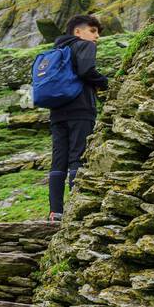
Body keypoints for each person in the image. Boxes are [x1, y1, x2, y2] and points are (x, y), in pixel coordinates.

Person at [45, 14, 108, 220]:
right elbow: (86, 70)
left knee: (58, 161)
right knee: (77, 158)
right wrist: (106, 82)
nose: (97, 36)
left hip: (57, 112)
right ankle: (74, 209)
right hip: (80, 109)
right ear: (77, 32)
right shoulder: (85, 46)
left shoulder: (57, 50)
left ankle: (56, 211)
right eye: (93, 31)